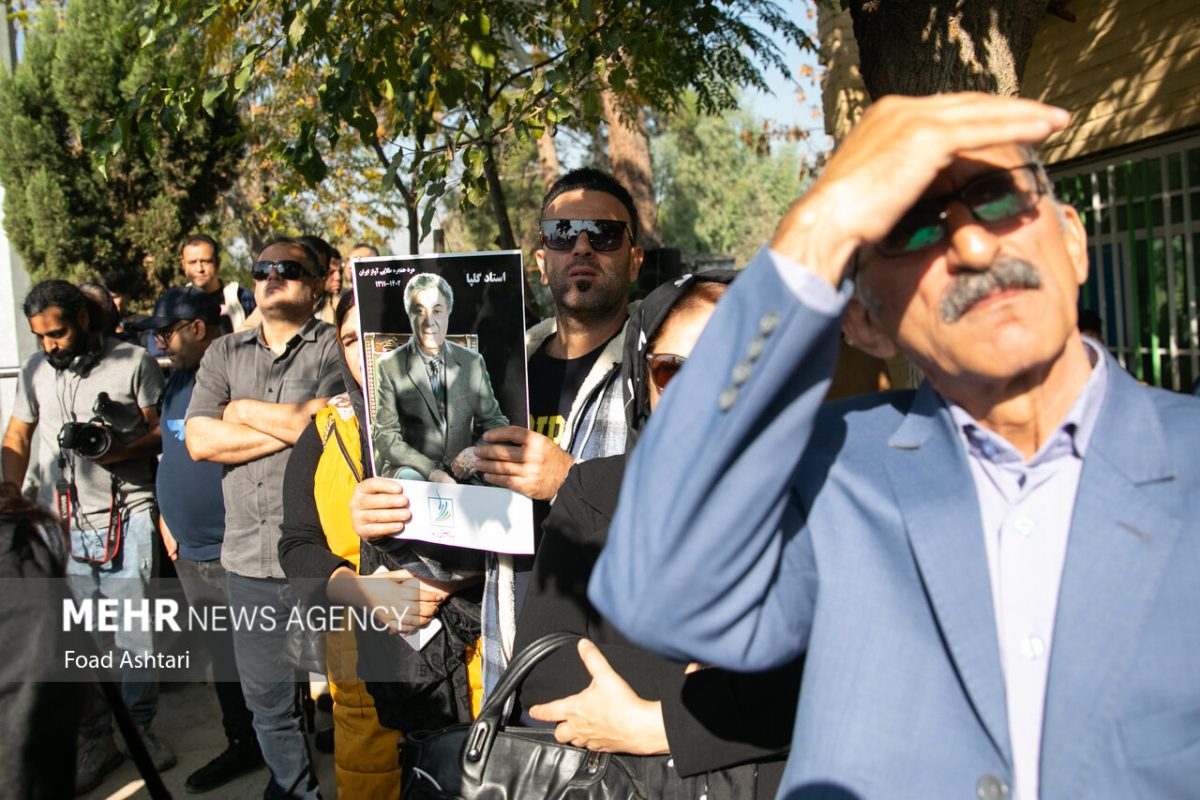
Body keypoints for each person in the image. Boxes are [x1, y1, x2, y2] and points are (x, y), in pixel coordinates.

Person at [590, 93, 1200, 799]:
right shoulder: (829, 471)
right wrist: (821, 223)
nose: (972, 246)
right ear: (865, 324)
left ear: (1071, 241)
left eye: (997, 197)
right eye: (911, 230)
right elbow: (656, 591)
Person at [515, 271, 800, 798]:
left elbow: (835, 679)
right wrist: (729, 699)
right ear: (642, 380)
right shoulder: (592, 491)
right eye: (673, 370)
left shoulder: (811, 493)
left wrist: (654, 723)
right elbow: (545, 671)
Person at [186, 237, 343, 799]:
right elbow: (200, 441)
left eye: (289, 268)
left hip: (323, 557)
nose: (273, 275)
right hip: (247, 561)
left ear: (321, 280)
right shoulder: (223, 353)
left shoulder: (334, 347)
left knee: (354, 694)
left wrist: (242, 409)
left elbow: (328, 426)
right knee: (268, 703)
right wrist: (293, 424)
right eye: (262, 268)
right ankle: (295, 789)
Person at [0, 279, 171, 792]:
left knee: (135, 633)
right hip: (61, 523)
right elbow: (17, 436)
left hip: (128, 514)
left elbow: (162, 431)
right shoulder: (33, 371)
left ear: (81, 319)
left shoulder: (132, 361)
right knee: (78, 640)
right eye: (40, 337)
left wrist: (111, 452)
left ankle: (140, 729)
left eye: (57, 333)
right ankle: (95, 737)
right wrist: (8, 502)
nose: (49, 345)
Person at [280, 291, 436, 799]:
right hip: (362, 670)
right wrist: (363, 592)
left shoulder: (472, 415)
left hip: (467, 660)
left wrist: (452, 581)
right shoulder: (326, 432)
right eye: (351, 338)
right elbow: (297, 545)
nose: (367, 350)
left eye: (380, 336)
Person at [141, 286, 265, 793]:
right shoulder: (177, 382)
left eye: (166, 333)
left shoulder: (241, 372)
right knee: (224, 656)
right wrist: (167, 519)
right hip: (189, 550)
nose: (159, 343)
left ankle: (283, 745)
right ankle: (243, 743)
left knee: (265, 657)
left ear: (196, 328)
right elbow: (170, 453)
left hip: (236, 545)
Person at [371, 272, 509, 482]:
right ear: (409, 315)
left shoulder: (472, 362)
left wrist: (475, 453)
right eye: (420, 312)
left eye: (437, 311)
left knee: (502, 483)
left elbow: (496, 422)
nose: (430, 322)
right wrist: (431, 472)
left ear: (448, 313)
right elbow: (385, 435)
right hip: (413, 470)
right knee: (412, 480)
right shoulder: (389, 366)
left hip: (462, 470)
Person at [181, 233, 256, 333]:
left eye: (205, 261)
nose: (199, 269)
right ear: (183, 265)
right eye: (192, 262)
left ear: (218, 263)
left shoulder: (242, 298)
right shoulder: (175, 304)